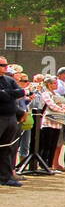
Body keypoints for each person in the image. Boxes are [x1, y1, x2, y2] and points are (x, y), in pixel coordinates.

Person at [0, 56, 25, 187]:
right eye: (2, 65)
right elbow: (1, 96)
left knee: (6, 148)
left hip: (11, 117)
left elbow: (21, 92)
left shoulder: (9, 80)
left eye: (5, 65)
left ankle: (5, 177)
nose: (5, 67)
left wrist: (8, 93)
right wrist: (12, 93)